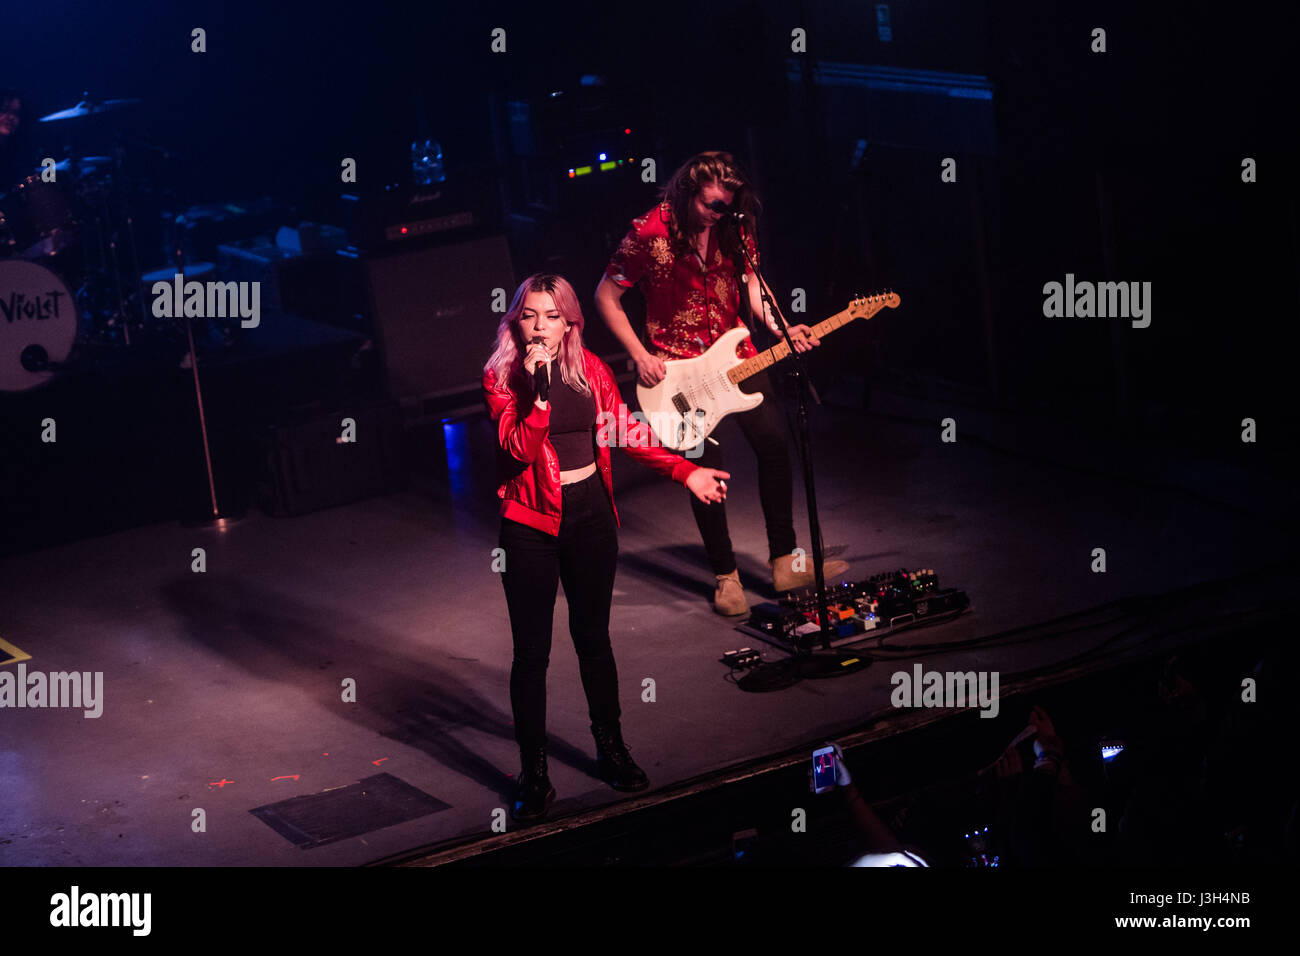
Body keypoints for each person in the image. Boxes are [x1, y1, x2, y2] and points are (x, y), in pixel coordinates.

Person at [483, 273, 730, 823]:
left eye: (552, 316)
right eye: (530, 315)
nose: (541, 327)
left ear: (570, 321)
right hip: (529, 525)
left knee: (593, 639)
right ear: (516, 320)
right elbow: (519, 447)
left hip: (591, 517)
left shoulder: (591, 368)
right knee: (531, 654)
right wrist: (538, 392)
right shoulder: (501, 376)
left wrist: (685, 471)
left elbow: (626, 430)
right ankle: (535, 772)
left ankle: (611, 749)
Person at [595, 150, 849, 616]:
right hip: (676, 371)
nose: (721, 213)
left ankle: (784, 562)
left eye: (727, 206)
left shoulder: (735, 226)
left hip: (737, 358)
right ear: (689, 193)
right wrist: (637, 354)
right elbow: (606, 296)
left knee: (774, 446)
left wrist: (779, 328)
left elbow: (753, 287)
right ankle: (725, 575)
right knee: (707, 475)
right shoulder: (649, 232)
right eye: (713, 205)